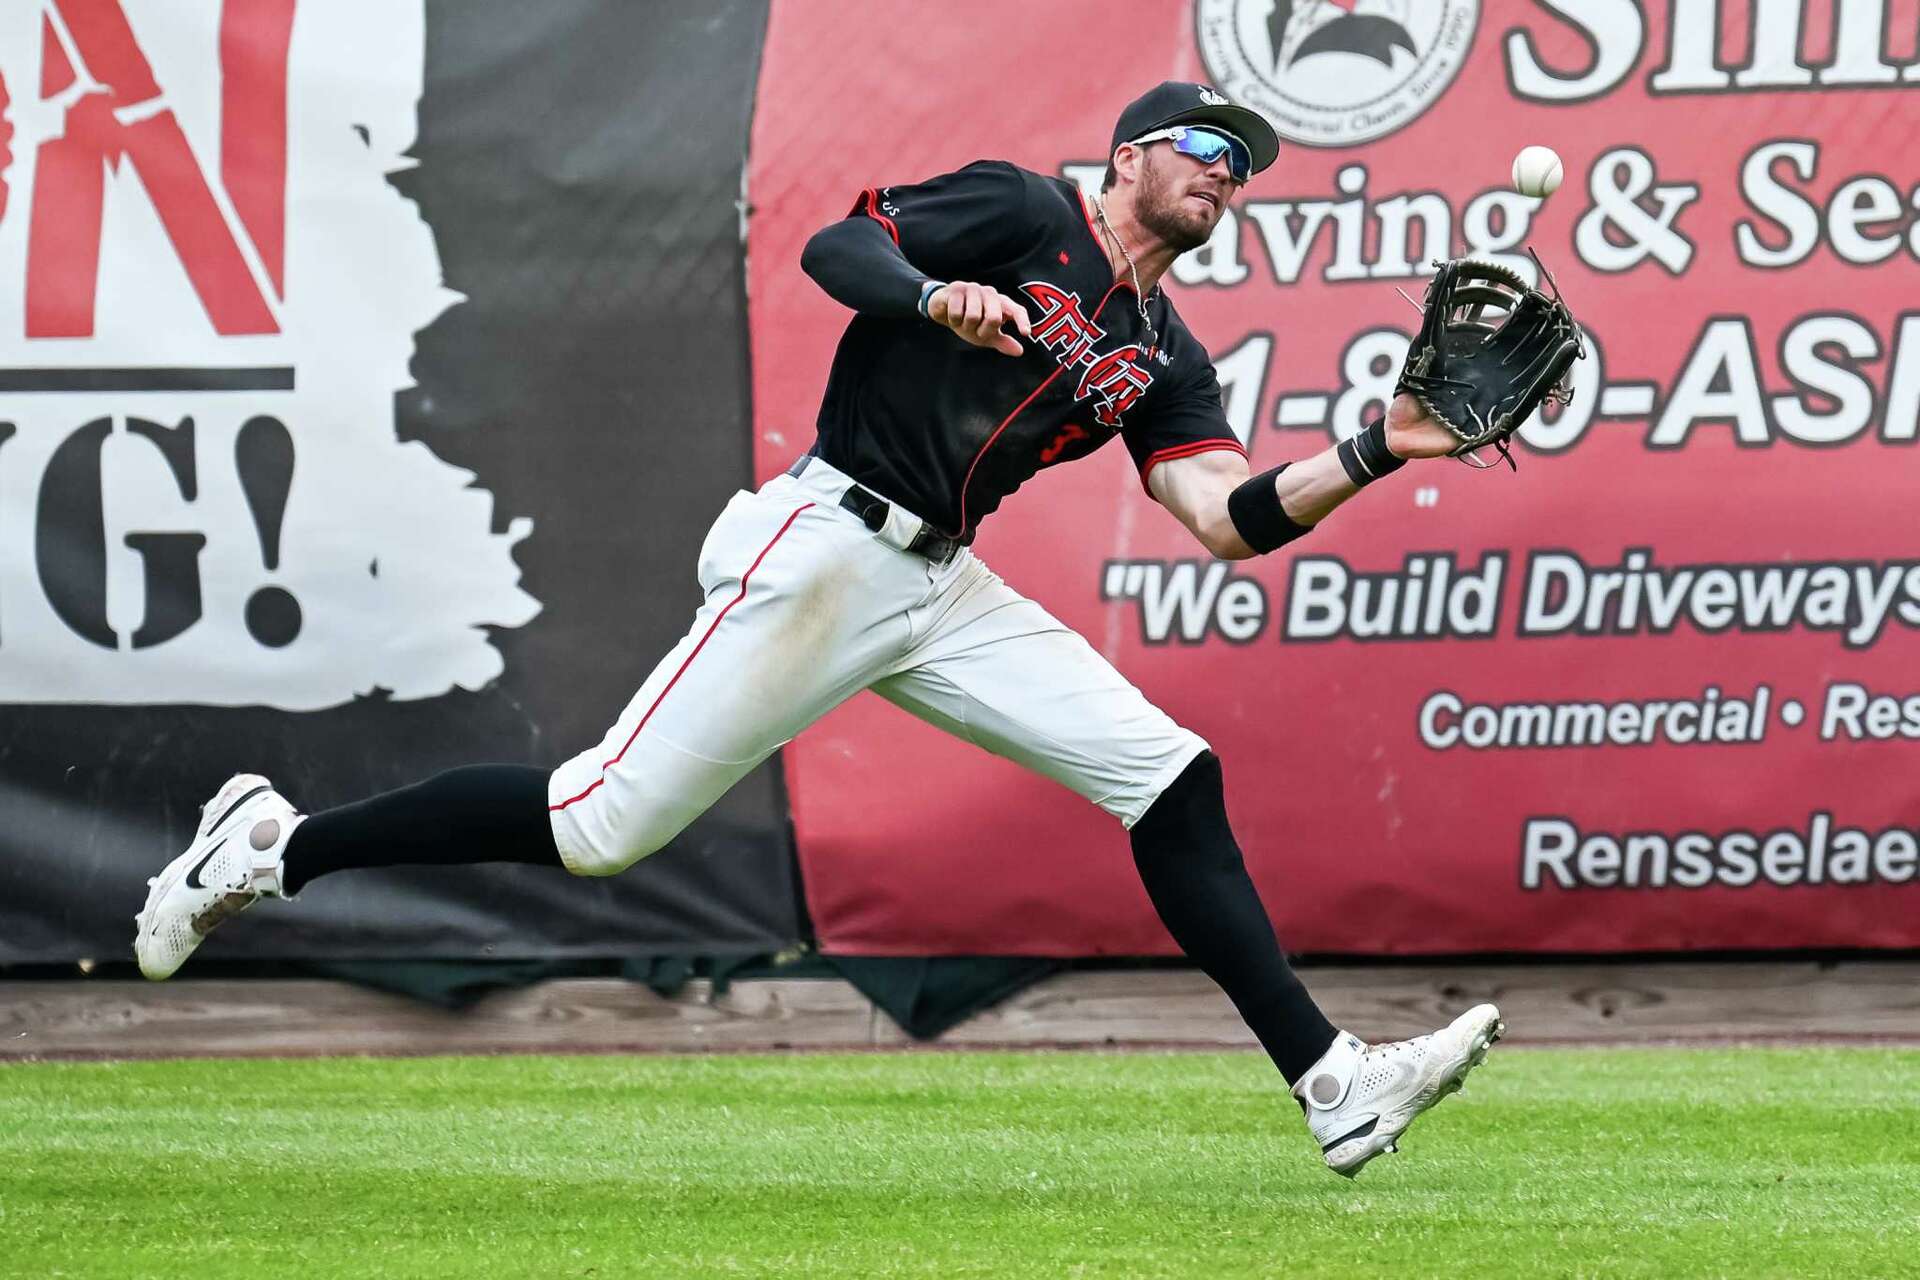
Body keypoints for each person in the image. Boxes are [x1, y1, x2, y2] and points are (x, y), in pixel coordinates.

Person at [135, 82, 1501, 1177]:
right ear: (1134, 152)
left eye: (1243, 165)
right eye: (1206, 146)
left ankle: (1335, 1087)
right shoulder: (1028, 211)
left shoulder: (1166, 348)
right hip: (829, 544)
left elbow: (1226, 517)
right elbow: (840, 242)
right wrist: (931, 295)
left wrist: (1381, 445)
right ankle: (271, 847)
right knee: (598, 824)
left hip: (941, 589)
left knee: (1170, 773)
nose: (1226, 172)